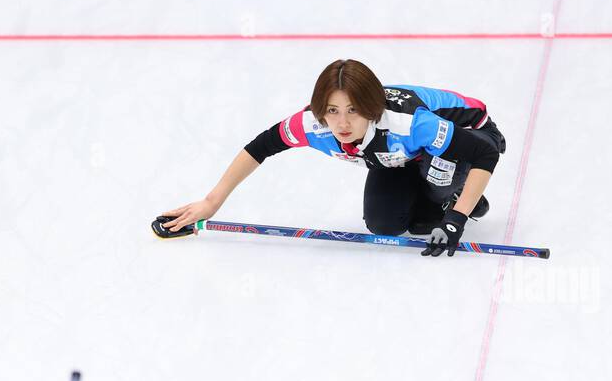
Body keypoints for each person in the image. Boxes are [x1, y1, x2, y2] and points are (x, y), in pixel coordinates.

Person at [161, 58, 506, 257]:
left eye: (353, 111)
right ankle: (445, 195)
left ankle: (458, 196)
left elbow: (485, 152)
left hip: (471, 137)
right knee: (387, 225)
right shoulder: (314, 124)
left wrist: (456, 220)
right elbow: (260, 147)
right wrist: (211, 201)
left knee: (439, 177)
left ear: (371, 109)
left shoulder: (409, 122)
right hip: (402, 156)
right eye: (332, 110)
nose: (341, 123)